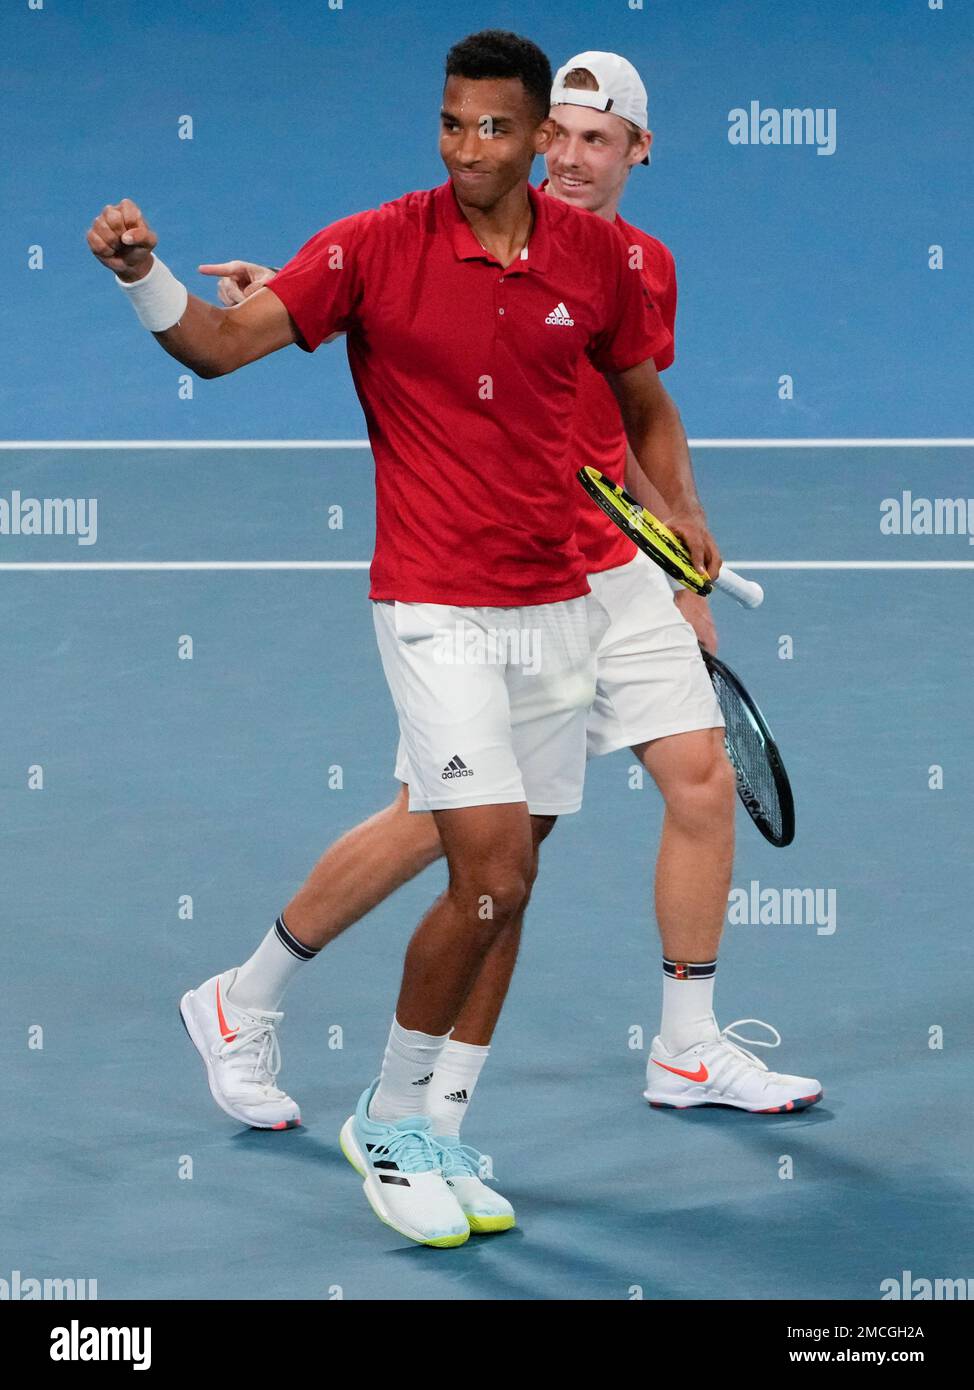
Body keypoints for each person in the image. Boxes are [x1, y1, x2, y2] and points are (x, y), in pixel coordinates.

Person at [83, 32, 783, 1251]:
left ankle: (437, 1118)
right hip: (435, 606)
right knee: (488, 869)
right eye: (453, 124)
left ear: (534, 136)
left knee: (510, 878)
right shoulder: (373, 244)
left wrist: (678, 517)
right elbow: (215, 346)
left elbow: (639, 397)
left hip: (559, 602)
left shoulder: (600, 259)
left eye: (495, 128)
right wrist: (144, 276)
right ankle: (391, 1118)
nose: (471, 148)